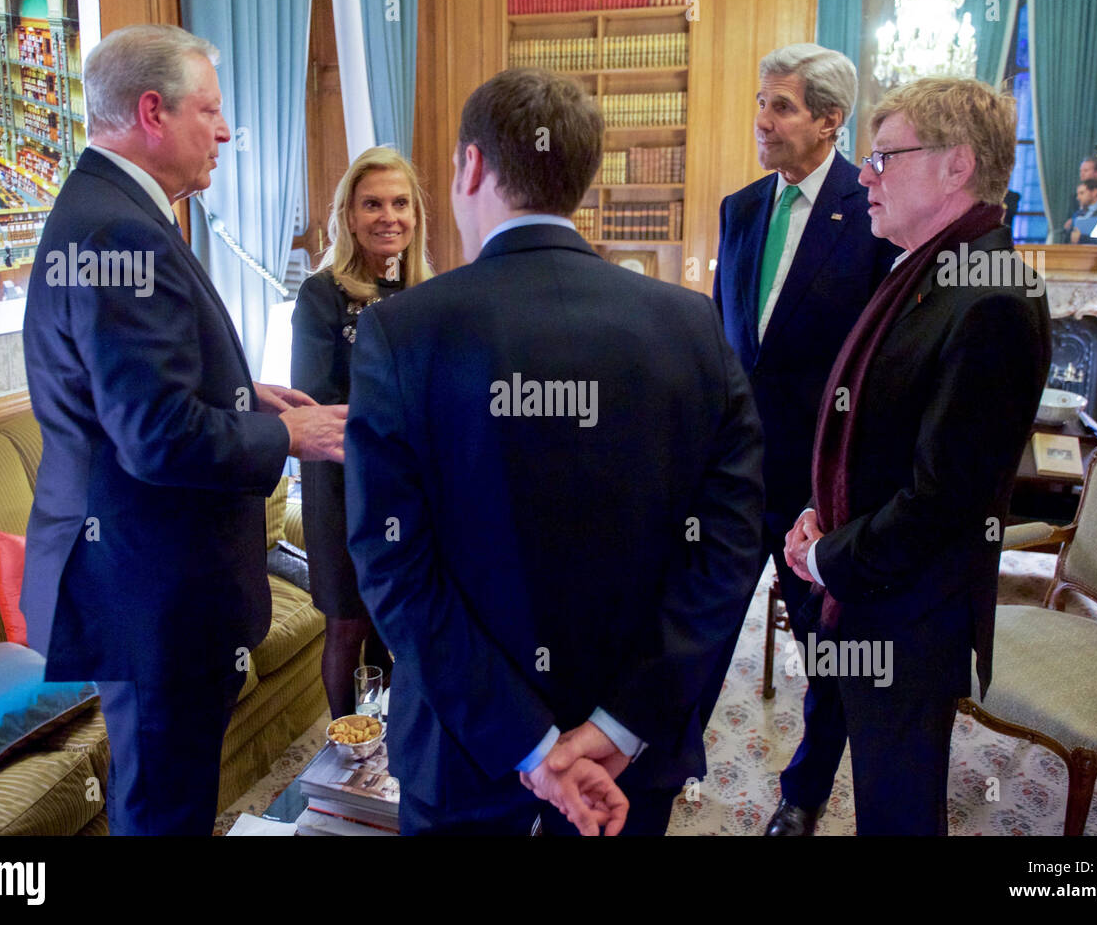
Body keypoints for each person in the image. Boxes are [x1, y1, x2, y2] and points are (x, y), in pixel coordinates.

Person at [345, 67, 766, 836]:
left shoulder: (402, 334)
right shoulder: (694, 328)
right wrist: (619, 724)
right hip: (632, 758)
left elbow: (392, 562)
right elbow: (731, 550)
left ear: (471, 167)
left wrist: (530, 745)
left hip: (464, 751)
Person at [20, 24, 344, 835]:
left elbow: (135, 395)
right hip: (149, 585)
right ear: (153, 112)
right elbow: (157, 435)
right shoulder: (117, 229)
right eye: (213, 110)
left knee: (165, 796)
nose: (227, 131)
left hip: (137, 574)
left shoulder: (114, 207)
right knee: (164, 809)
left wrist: (240, 394)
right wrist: (295, 439)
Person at [784, 77, 1051, 835]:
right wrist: (819, 511)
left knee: (898, 812)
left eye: (883, 157)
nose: (864, 174)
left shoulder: (992, 293)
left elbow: (944, 498)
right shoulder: (927, 266)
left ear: (955, 165)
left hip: (910, 612)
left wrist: (829, 555)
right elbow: (879, 431)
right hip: (873, 585)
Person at [714, 44, 898, 837]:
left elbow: (883, 363)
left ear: (831, 120)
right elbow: (727, 348)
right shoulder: (741, 208)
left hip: (818, 489)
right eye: (760, 101)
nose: (762, 120)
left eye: (781, 106)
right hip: (728, 479)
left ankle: (806, 792)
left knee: (828, 656)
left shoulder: (876, 211)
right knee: (694, 628)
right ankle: (669, 756)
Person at [290, 146, 435, 719]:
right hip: (342, 489)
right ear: (349, 216)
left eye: (400, 203)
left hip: (412, 488)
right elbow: (313, 402)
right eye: (372, 204)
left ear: (416, 215)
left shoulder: (429, 294)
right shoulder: (320, 294)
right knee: (347, 625)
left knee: (401, 620)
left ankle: (396, 750)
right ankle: (347, 752)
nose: (388, 216)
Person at [1067, 178, 1097, 244]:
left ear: (1094, 192)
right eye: (1078, 194)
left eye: (1082, 193)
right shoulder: (1078, 214)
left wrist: (1082, 238)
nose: (1078, 198)